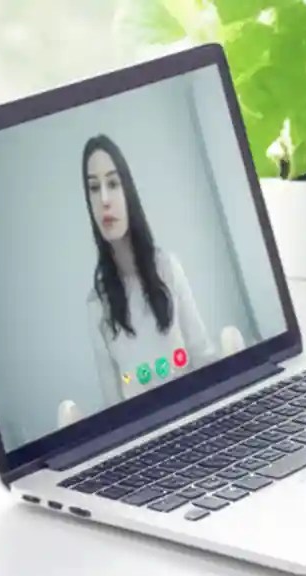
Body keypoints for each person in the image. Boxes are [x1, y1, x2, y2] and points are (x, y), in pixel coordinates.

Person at [82, 134, 216, 405]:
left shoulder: (167, 267)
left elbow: (203, 356)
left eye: (113, 183)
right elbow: (114, 405)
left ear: (128, 191)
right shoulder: (97, 304)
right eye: (94, 188)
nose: (104, 199)